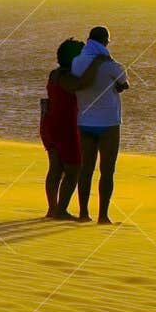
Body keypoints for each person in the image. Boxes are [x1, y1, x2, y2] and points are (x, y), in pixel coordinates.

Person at [71, 26, 128, 224]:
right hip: (108, 122)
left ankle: (83, 213)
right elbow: (123, 84)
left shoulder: (77, 62)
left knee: (85, 169)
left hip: (84, 120)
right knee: (107, 170)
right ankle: (103, 215)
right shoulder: (110, 64)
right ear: (105, 42)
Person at [41, 38, 98, 219]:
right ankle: (60, 210)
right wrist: (95, 66)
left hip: (50, 123)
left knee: (55, 168)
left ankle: (53, 209)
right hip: (65, 126)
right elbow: (81, 85)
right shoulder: (67, 77)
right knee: (73, 169)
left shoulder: (55, 74)